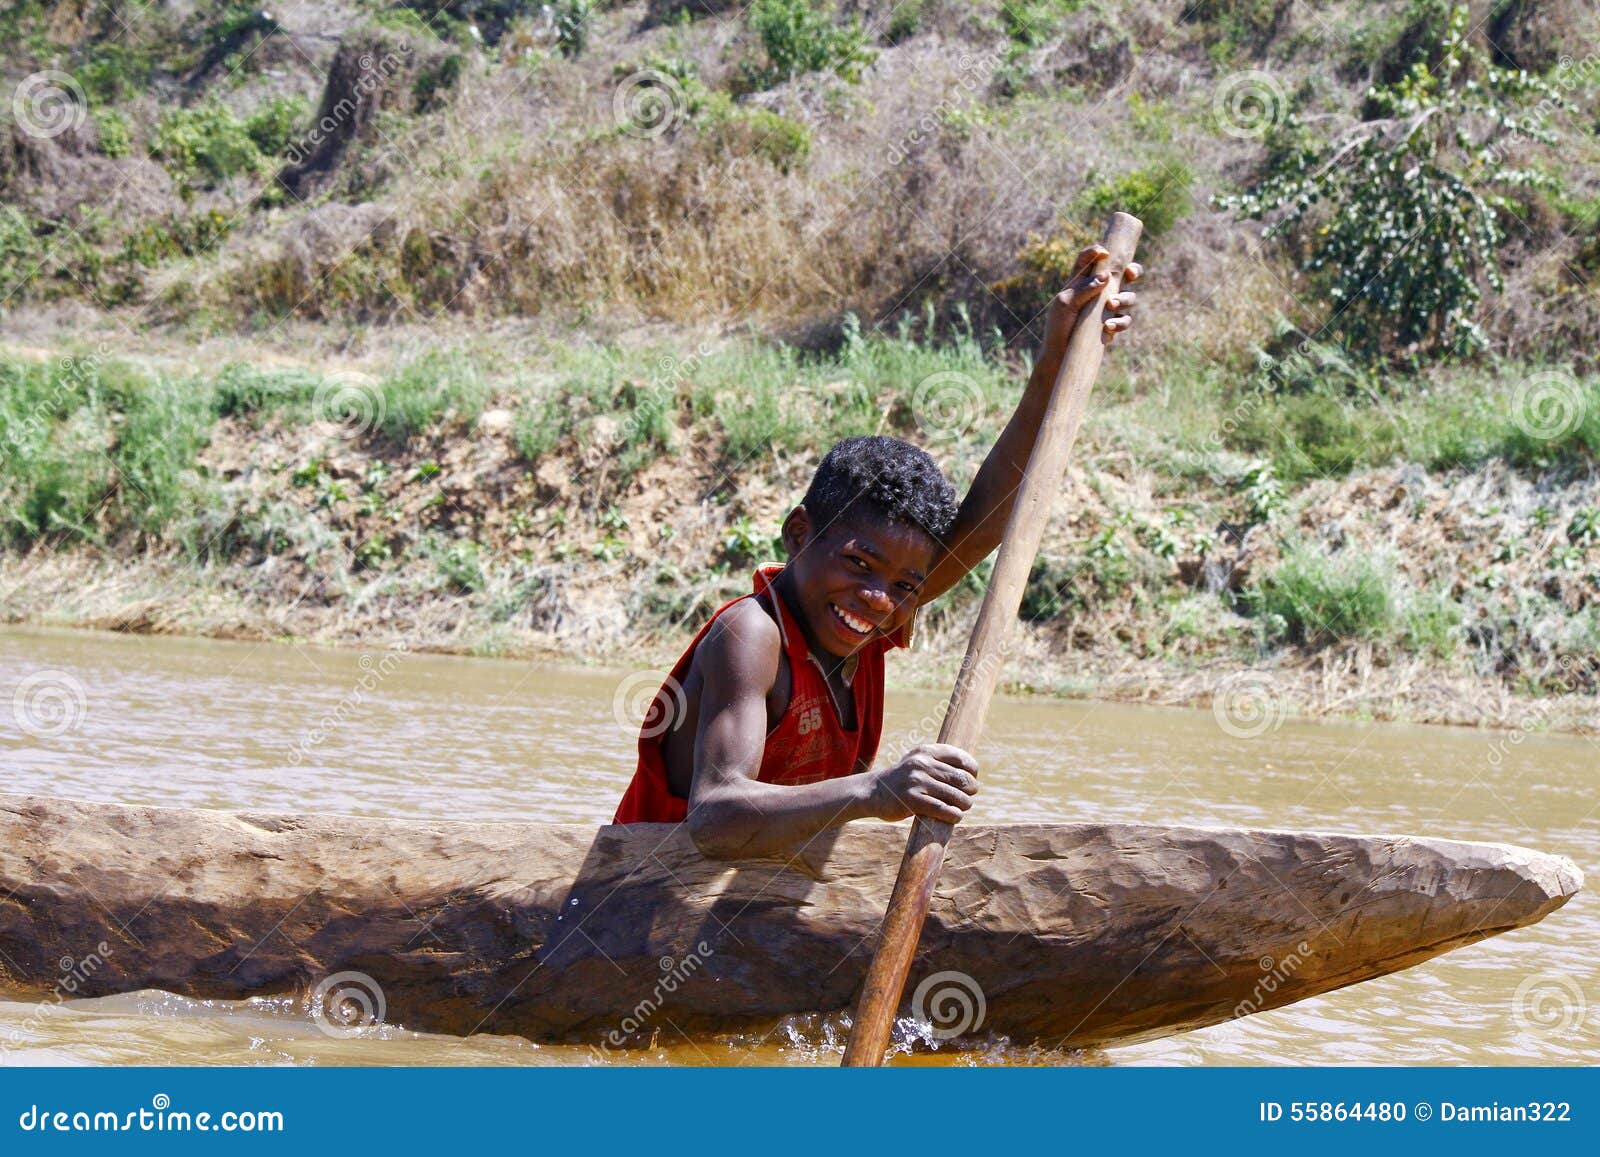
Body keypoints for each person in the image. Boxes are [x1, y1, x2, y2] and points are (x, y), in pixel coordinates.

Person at [614, 245, 1142, 856]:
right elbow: (715, 816)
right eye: (860, 565)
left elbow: (989, 521)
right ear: (799, 534)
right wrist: (875, 792)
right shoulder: (752, 636)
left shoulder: (868, 617)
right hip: (643, 914)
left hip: (757, 912)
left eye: (904, 586)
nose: (878, 599)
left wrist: (1057, 357)